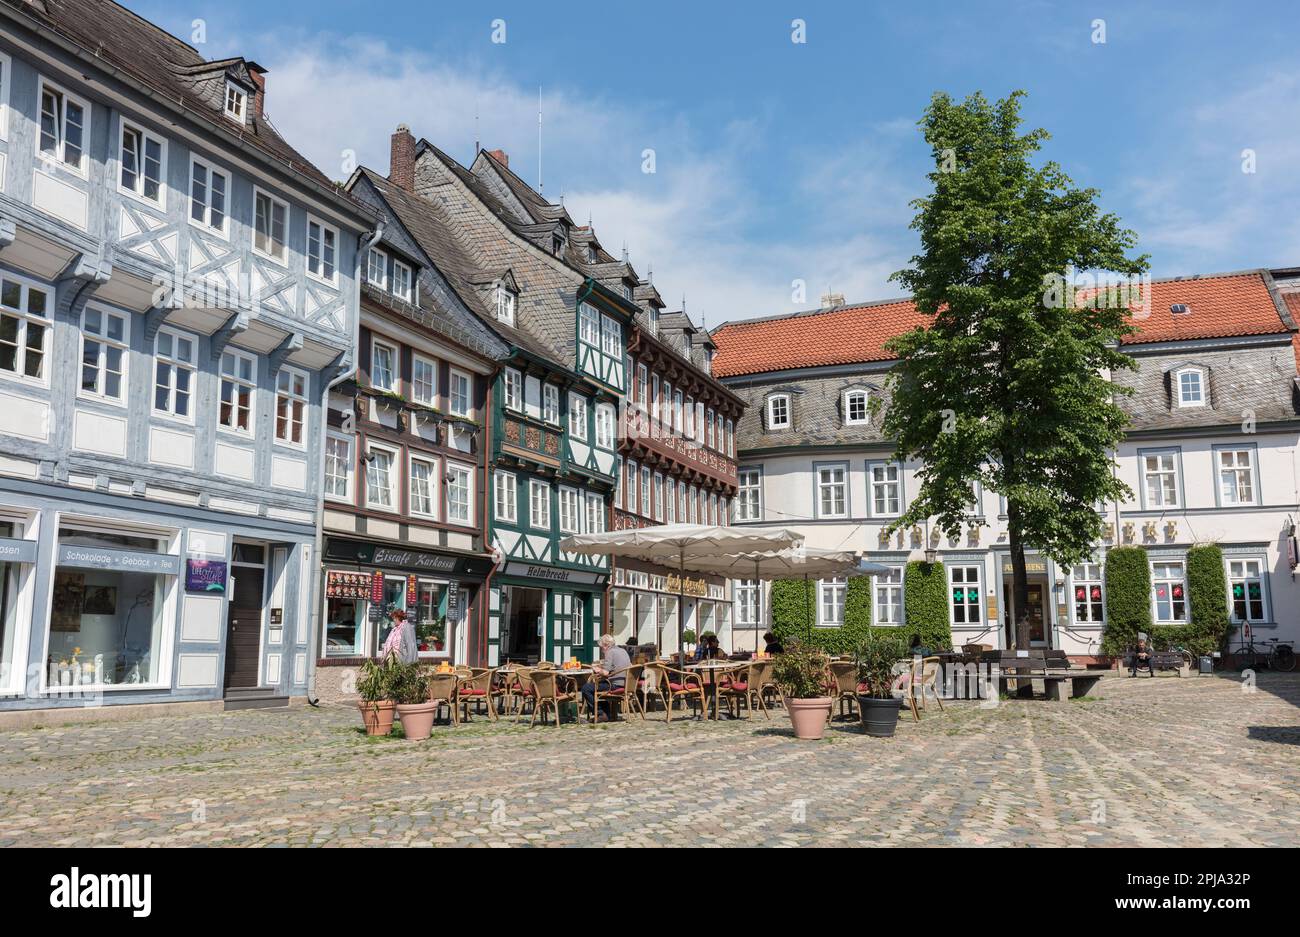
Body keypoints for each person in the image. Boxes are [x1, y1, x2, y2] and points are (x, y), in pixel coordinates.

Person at [584, 634, 631, 722]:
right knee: (596, 687)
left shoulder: (610, 652)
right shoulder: (622, 650)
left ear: (606, 645)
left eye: (602, 647)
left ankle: (600, 714)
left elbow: (605, 673)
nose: (602, 650)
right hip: (626, 683)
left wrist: (597, 669)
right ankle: (606, 713)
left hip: (615, 684)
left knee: (586, 688)